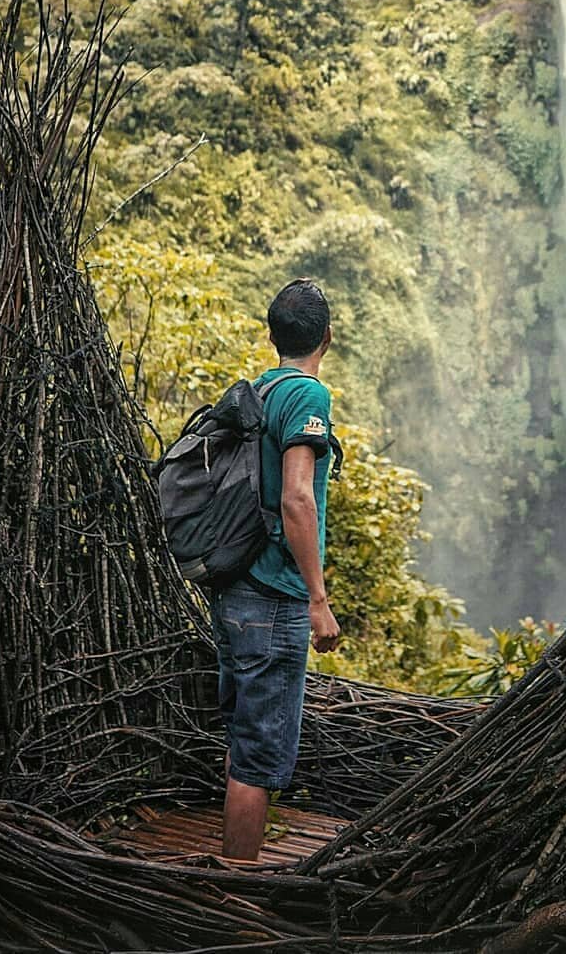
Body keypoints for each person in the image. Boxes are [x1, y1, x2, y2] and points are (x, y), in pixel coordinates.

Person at [210, 278, 342, 860]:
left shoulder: (259, 391)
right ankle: (236, 890)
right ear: (327, 337)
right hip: (273, 597)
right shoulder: (307, 397)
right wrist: (318, 600)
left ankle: (228, 873)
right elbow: (297, 498)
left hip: (234, 588)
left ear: (272, 338)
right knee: (260, 757)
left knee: (243, 741)